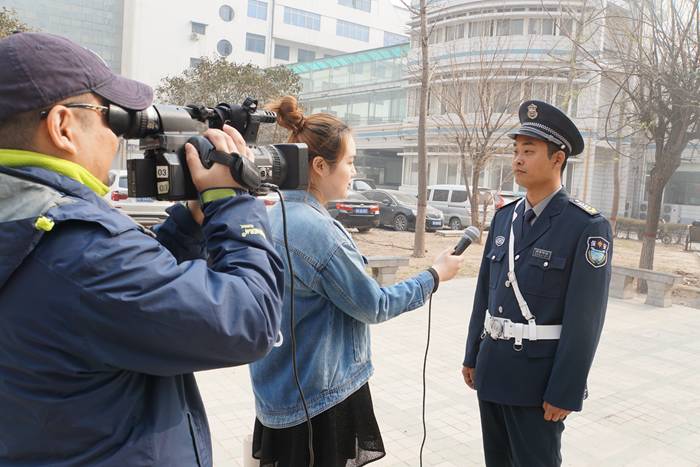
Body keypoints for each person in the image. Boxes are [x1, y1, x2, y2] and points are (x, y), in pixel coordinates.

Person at [0, 32, 284, 466]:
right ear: (62, 126)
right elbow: (251, 320)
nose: (117, 138)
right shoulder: (81, 250)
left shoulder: (28, 226)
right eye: (109, 119)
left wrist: (190, 221)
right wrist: (233, 205)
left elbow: (131, 298)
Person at [248, 96, 465, 467]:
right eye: (349, 161)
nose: (353, 170)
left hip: (277, 390)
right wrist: (434, 276)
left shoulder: (268, 212)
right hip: (318, 401)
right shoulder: (318, 232)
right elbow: (373, 305)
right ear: (319, 166)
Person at [462, 100, 613, 466]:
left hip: (538, 383)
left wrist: (566, 389)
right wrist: (472, 355)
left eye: (528, 151)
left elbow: (585, 320)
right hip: (494, 370)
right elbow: (485, 292)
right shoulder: (504, 217)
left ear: (557, 158)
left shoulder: (586, 227)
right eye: (516, 151)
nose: (517, 159)